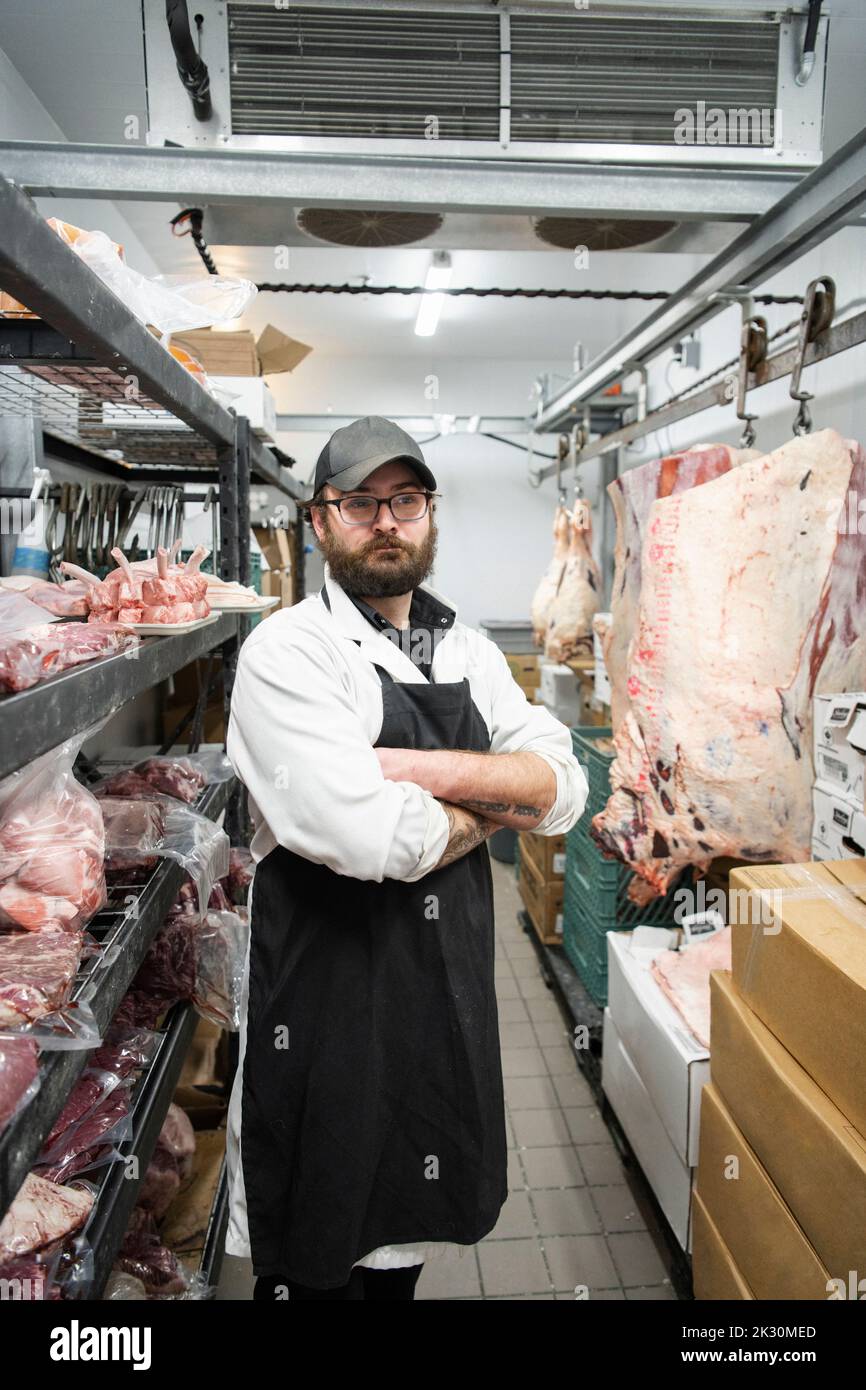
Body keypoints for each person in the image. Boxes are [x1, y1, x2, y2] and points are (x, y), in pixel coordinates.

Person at [224, 415, 588, 1299]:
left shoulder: (466, 651)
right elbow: (380, 838)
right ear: (320, 521)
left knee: (401, 1261)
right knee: (316, 1262)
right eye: (360, 502)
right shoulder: (288, 652)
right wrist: (495, 802)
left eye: (407, 500)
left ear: (430, 514)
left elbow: (566, 790)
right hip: (321, 1024)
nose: (387, 521)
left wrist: (421, 770)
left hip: (439, 1008)